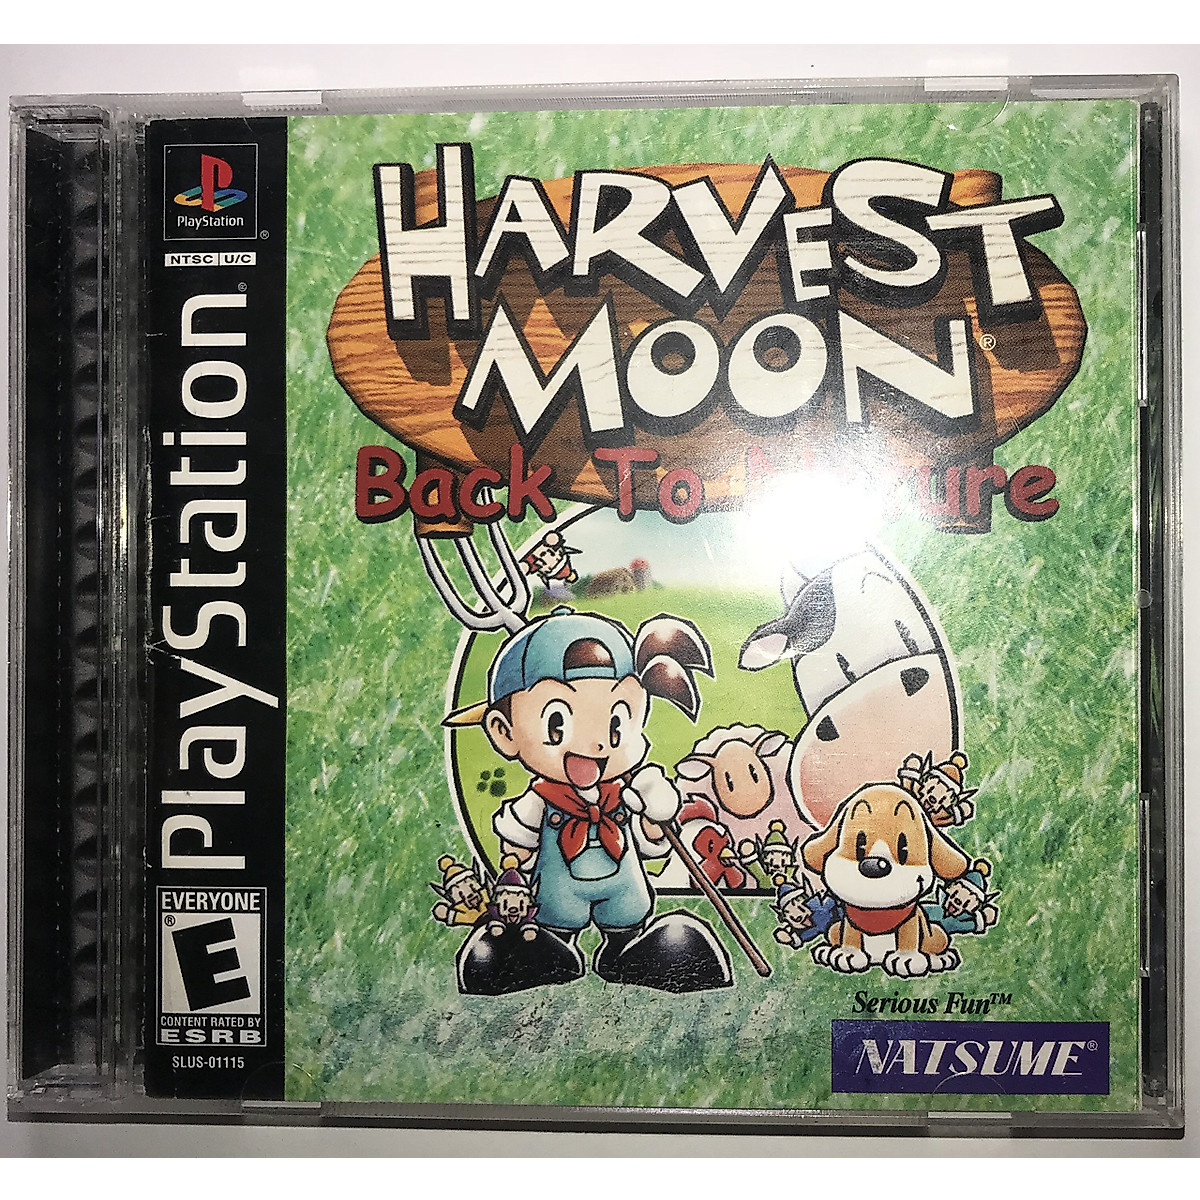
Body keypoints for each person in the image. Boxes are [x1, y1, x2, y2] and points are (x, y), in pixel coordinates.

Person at [445, 606, 732, 994]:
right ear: (504, 732)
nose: (597, 743)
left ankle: (629, 952)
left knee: (633, 922)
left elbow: (650, 840)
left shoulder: (627, 792)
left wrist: (655, 811)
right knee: (550, 927)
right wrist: (513, 876)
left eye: (616, 724)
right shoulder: (540, 800)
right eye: (558, 723)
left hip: (623, 887)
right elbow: (518, 844)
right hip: (559, 892)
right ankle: (545, 951)